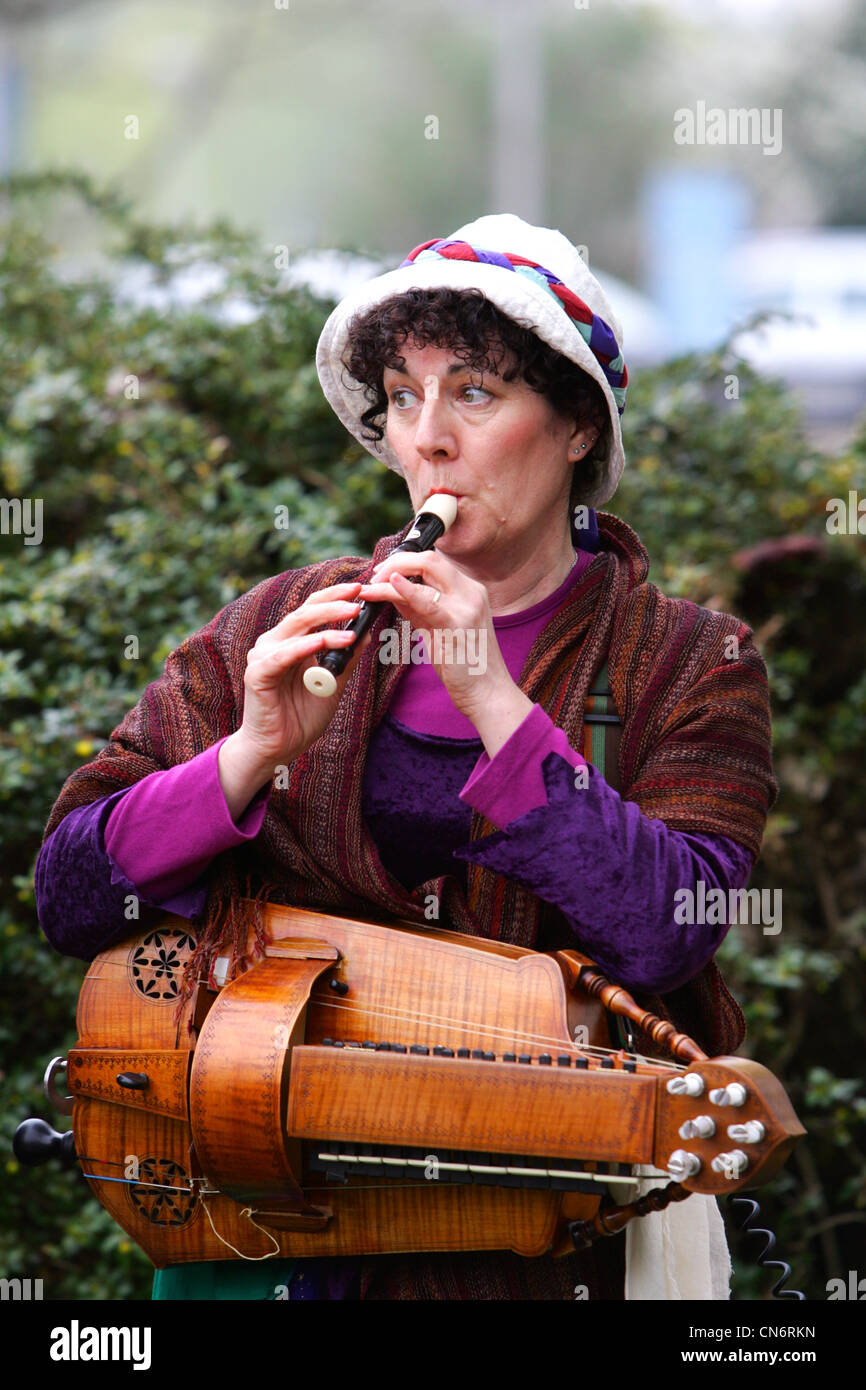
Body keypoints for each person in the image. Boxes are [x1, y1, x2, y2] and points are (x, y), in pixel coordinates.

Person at [35, 213, 776, 1301]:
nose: (426, 437)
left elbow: (670, 931)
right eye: (401, 395)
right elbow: (69, 896)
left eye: (473, 391)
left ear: (575, 426)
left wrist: (491, 699)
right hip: (268, 1224)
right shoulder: (285, 620)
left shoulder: (688, 658)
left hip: (550, 1243)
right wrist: (246, 754)